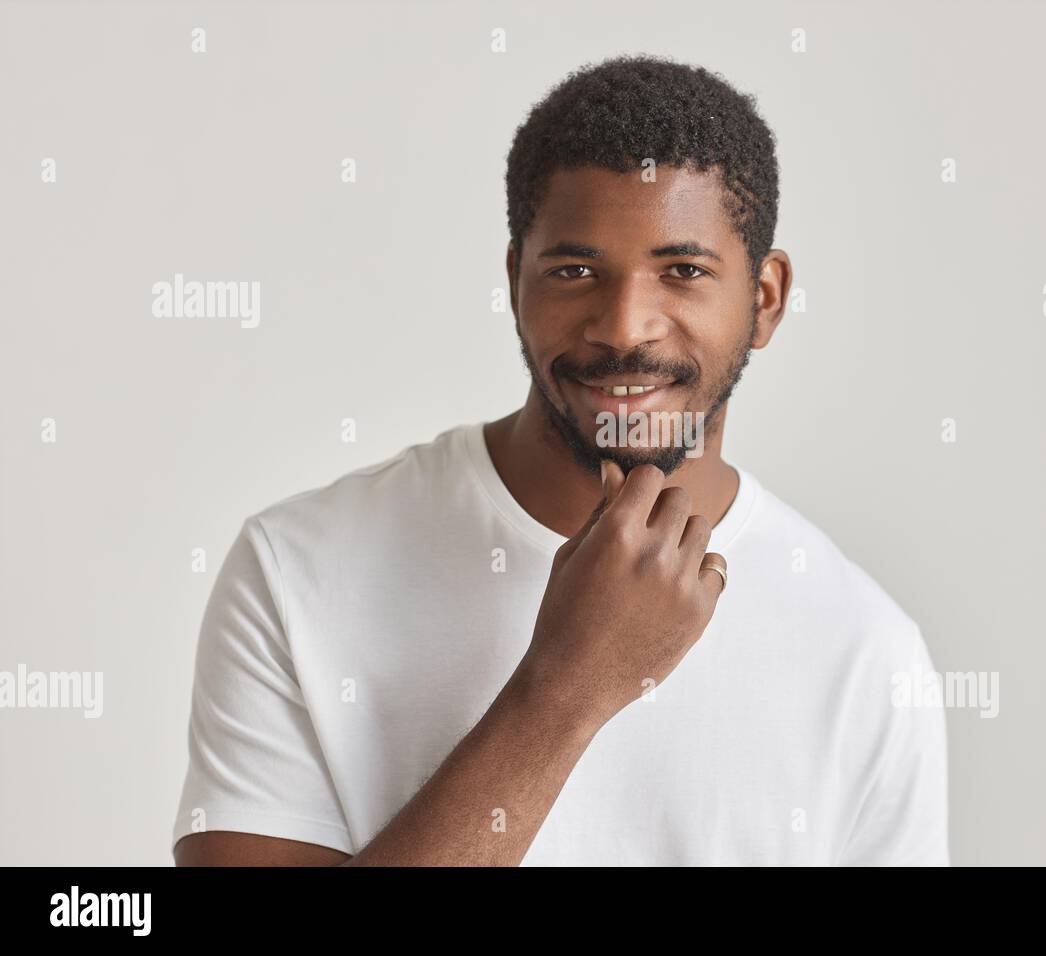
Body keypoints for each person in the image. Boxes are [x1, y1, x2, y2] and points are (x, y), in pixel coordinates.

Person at [172, 54, 948, 866]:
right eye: (575, 272)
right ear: (515, 283)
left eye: (683, 272)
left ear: (764, 299)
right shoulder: (298, 571)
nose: (625, 327)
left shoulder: (866, 652)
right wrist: (569, 687)